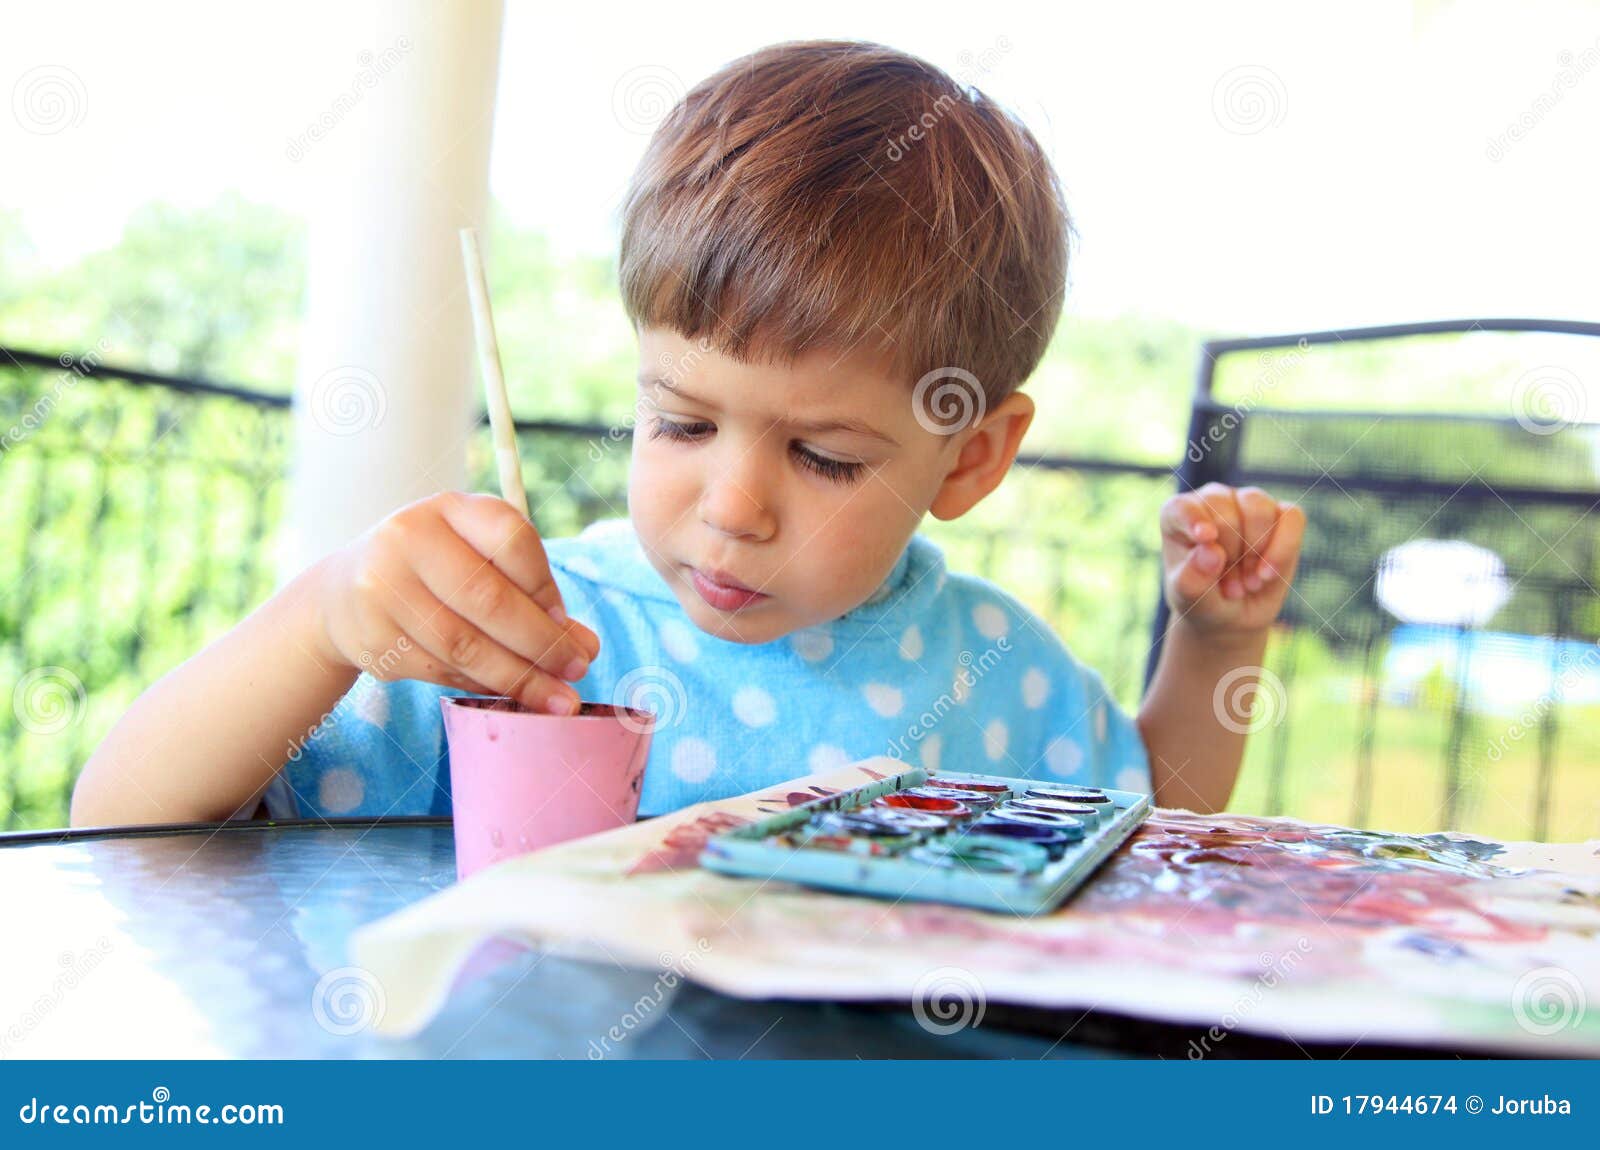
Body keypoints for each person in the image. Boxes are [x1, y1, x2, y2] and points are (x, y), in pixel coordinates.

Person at [71, 40, 1304, 829]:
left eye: (823, 456)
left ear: (969, 456)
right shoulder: (531, 640)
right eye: (679, 420)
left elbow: (1164, 818)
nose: (730, 505)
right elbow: (122, 819)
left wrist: (1210, 640)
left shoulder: (993, 668)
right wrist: (323, 617)